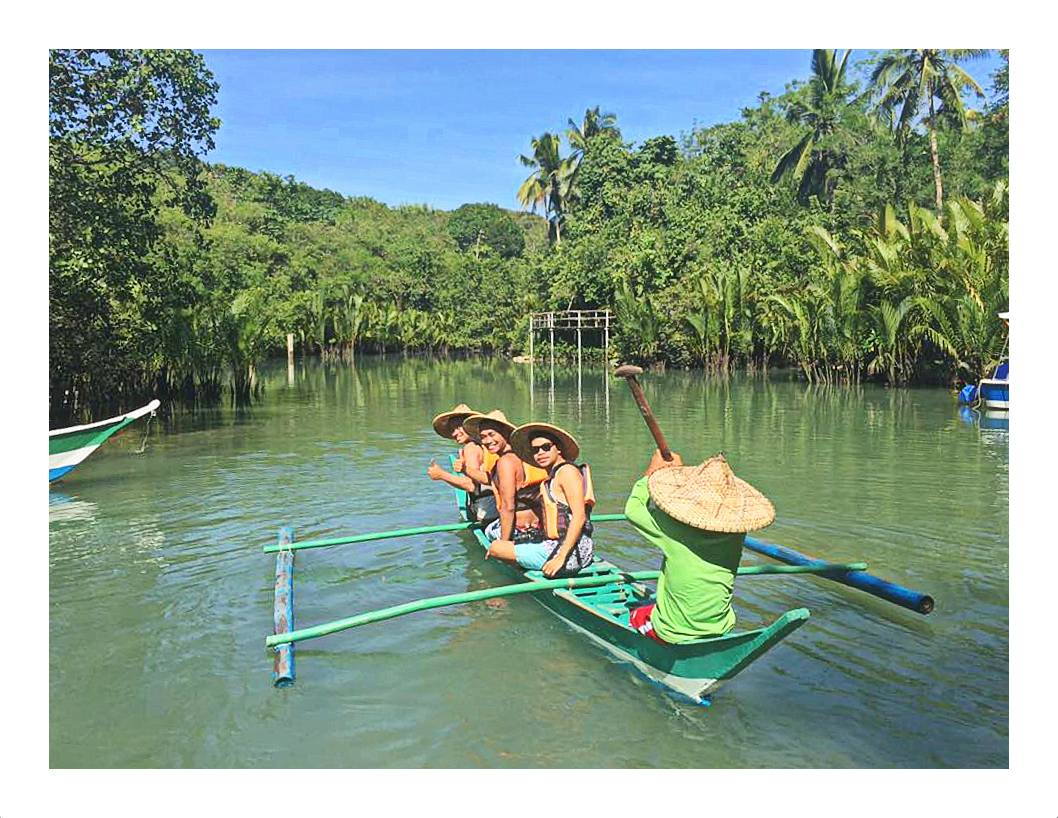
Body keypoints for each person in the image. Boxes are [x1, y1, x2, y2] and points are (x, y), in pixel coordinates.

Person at [624, 449, 776, 643]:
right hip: (721, 626)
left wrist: (653, 472)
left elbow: (633, 509)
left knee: (635, 615)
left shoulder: (673, 530)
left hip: (672, 631)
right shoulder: (737, 533)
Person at [486, 422, 596, 577]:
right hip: (568, 547)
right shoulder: (556, 473)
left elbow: (579, 516)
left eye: (546, 447)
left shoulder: (567, 472)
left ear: (558, 448)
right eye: (535, 450)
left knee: (496, 547)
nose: (540, 453)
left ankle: (527, 572)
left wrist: (560, 558)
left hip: (572, 554)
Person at [463, 410, 547, 544]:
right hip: (540, 527)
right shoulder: (524, 455)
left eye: (491, 434)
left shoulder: (505, 462)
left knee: (489, 528)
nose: (487, 441)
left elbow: (508, 507)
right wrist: (465, 469)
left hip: (519, 531)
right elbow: (491, 480)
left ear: (505, 433)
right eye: (483, 437)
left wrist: (504, 544)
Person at [425, 404, 497, 519]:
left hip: (488, 510)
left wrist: (441, 474)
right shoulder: (485, 445)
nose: (454, 433)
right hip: (495, 505)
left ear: (469, 426)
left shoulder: (470, 448)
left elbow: (471, 485)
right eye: (452, 429)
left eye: (458, 427)